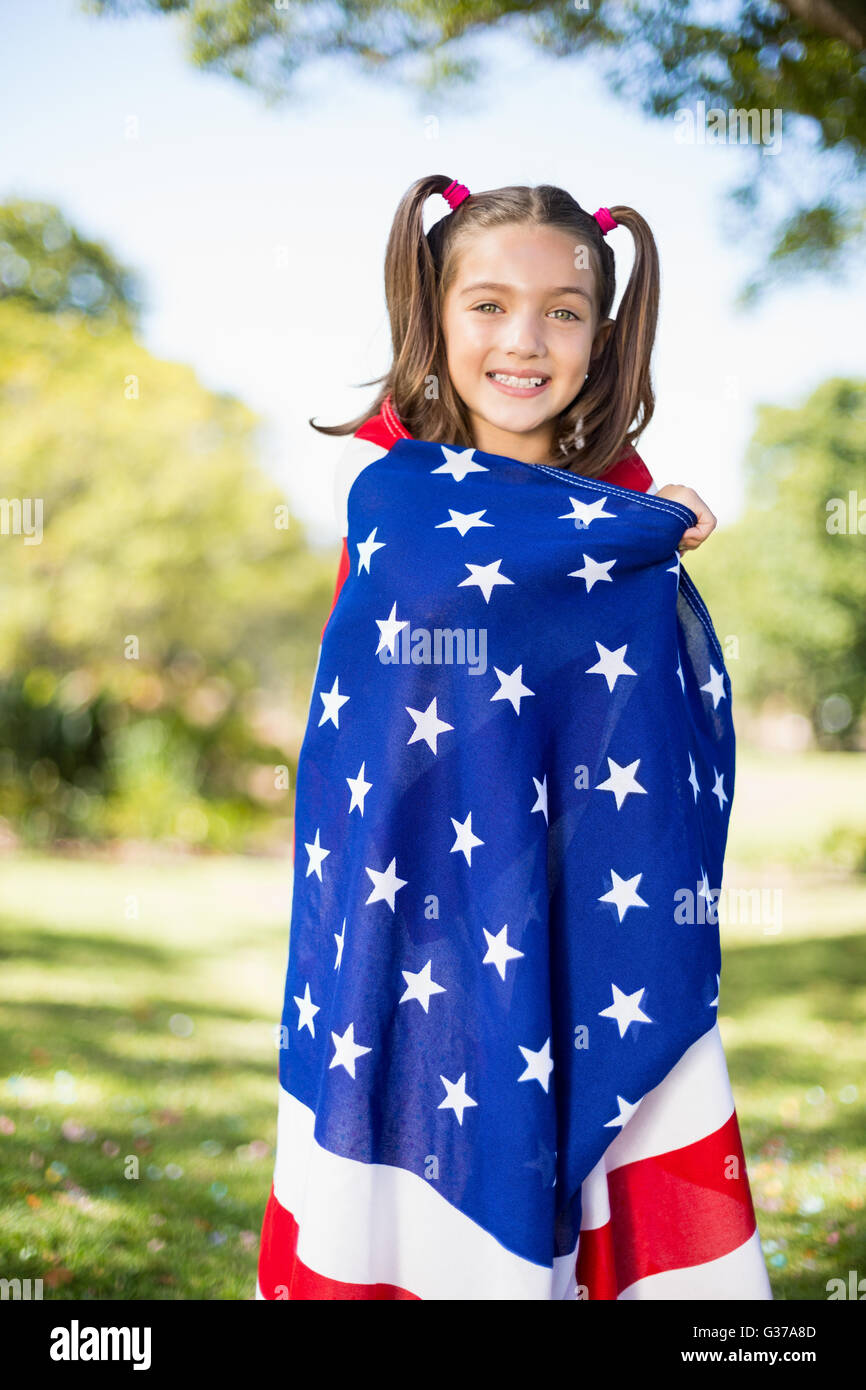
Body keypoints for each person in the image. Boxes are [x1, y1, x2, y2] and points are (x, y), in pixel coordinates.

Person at [255, 176, 772, 1300]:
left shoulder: (626, 520)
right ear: (434, 322)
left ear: (603, 332)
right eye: (486, 305)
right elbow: (369, 744)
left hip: (589, 931)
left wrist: (645, 539)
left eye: (563, 310)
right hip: (422, 930)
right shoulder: (392, 500)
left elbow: (632, 740)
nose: (523, 340)